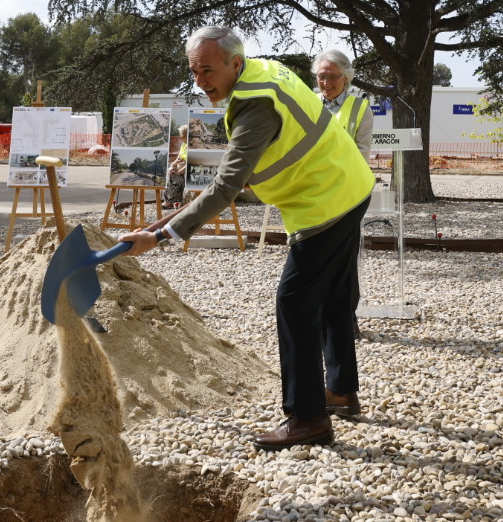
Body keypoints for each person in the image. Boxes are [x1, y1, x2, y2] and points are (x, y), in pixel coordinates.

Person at [119, 26, 375, 451]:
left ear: (234, 64)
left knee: (294, 303)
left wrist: (162, 236)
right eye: (194, 71)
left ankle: (307, 417)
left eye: (207, 70)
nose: (200, 81)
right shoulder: (263, 71)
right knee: (335, 297)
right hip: (350, 186)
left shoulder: (255, 104)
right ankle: (342, 393)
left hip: (325, 203)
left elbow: (226, 186)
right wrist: (166, 218)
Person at [313, 49, 374, 153]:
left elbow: (362, 153)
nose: (326, 83)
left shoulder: (362, 110)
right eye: (321, 76)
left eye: (333, 77)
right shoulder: (309, 102)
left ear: (345, 77)